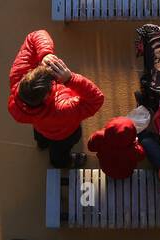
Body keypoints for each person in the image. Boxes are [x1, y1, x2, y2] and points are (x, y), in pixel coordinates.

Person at [7, 30, 104, 169]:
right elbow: (96, 99)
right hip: (64, 135)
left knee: (41, 136)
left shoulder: (17, 79)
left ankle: (42, 144)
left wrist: (45, 53)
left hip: (40, 127)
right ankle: (62, 162)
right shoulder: (62, 109)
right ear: (46, 96)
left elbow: (35, 36)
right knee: (60, 153)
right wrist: (71, 79)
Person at [87, 116, 146, 180]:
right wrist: (136, 143)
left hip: (106, 170)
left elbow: (90, 147)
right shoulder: (134, 150)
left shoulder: (99, 137)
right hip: (127, 173)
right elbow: (141, 156)